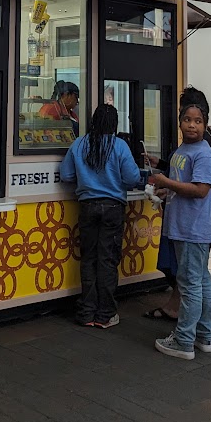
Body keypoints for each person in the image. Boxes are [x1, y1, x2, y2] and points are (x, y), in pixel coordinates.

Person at [147, 94, 211, 359]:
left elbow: (200, 190)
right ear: (179, 122)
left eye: (198, 121)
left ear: (205, 124)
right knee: (200, 282)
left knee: (190, 285)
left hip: (193, 229)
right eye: (187, 119)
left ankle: (184, 340)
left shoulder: (204, 154)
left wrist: (165, 182)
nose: (192, 125)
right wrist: (166, 191)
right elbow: (183, 186)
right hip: (184, 226)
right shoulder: (181, 151)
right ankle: (203, 336)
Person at [60, 104, 144, 328]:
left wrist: (86, 178)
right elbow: (133, 178)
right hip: (113, 208)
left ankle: (86, 313)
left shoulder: (79, 143)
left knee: (88, 258)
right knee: (107, 260)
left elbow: (66, 175)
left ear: (93, 121)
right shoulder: (120, 146)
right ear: (114, 124)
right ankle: (105, 314)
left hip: (87, 206)